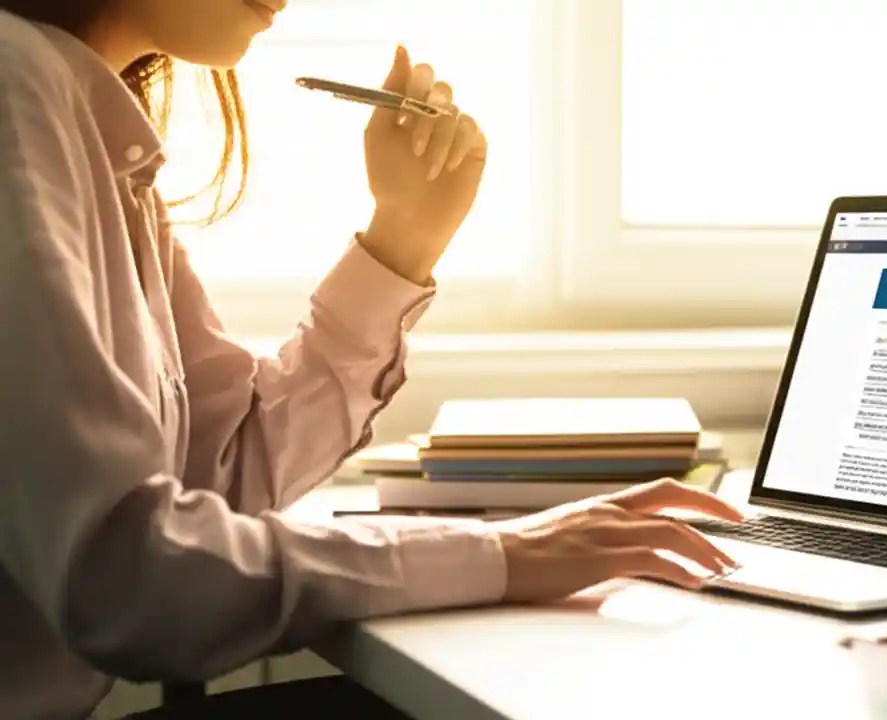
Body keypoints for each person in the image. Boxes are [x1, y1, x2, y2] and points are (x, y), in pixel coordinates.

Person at [0, 1, 744, 717]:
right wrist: (497, 556)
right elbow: (129, 581)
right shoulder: (13, 79)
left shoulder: (96, 140)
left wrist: (403, 240)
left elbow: (224, 483)